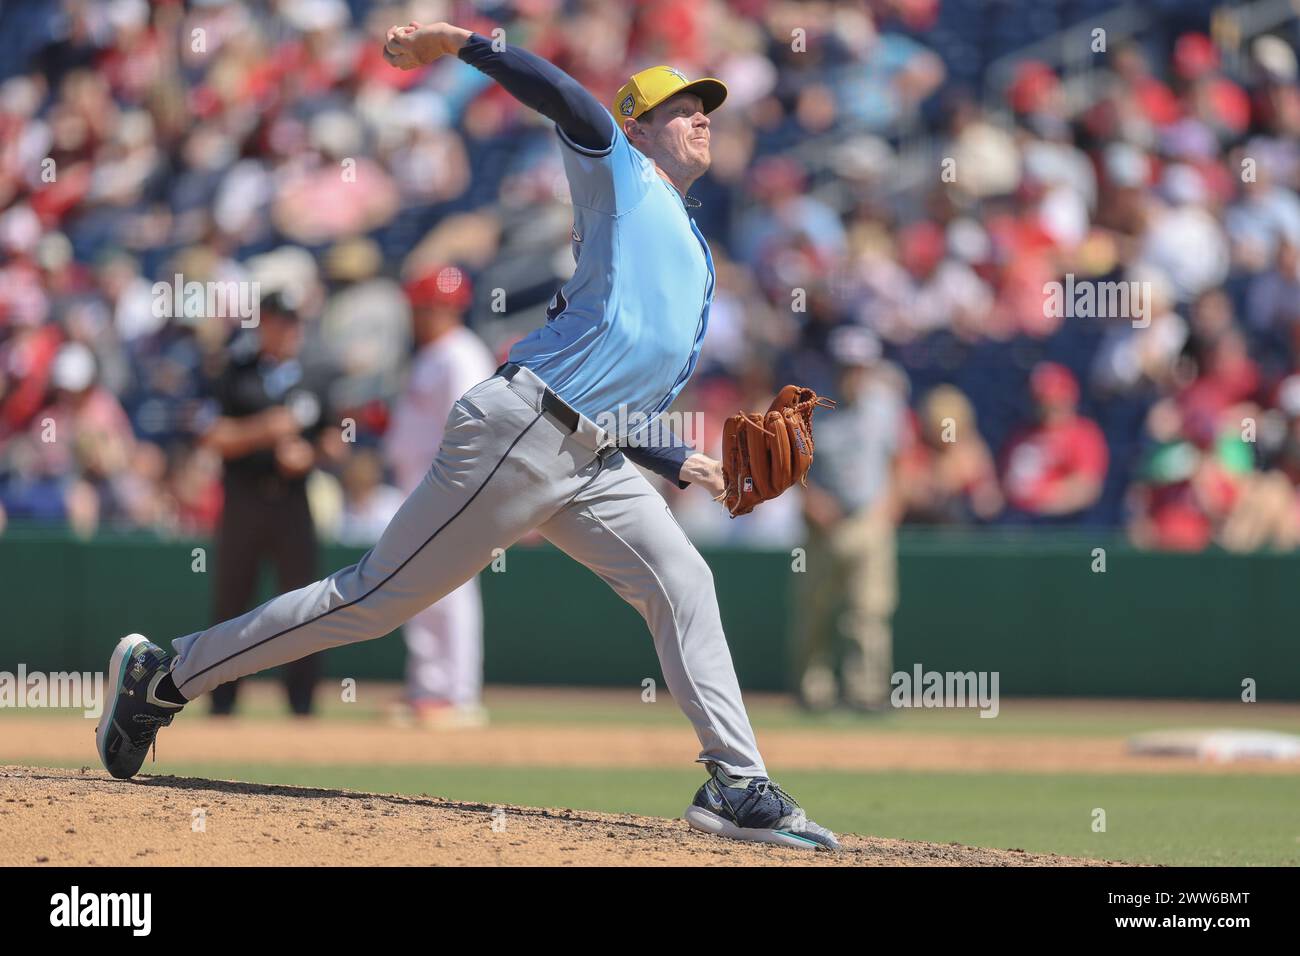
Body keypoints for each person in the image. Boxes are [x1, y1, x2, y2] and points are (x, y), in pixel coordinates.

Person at [95, 21, 839, 852]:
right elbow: (562, 94)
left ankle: (737, 784)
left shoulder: (695, 251)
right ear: (636, 125)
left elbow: (614, 372)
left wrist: (680, 459)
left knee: (684, 581)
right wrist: (462, 43)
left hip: (591, 454)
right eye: (680, 107)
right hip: (522, 435)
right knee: (373, 602)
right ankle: (164, 675)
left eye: (707, 107)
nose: (701, 117)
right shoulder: (619, 169)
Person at [194, 291, 338, 716]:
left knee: (304, 604)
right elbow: (211, 435)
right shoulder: (235, 373)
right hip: (243, 501)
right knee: (231, 603)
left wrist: (309, 456)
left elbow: (336, 440)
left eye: (295, 321)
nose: (290, 329)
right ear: (265, 324)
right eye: (282, 320)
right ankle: (221, 703)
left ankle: (302, 705)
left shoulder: (316, 375)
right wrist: (266, 430)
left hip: (294, 502)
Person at [383, 266, 496, 728]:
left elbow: (478, 426)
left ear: (444, 307)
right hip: (418, 487)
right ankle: (428, 689)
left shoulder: (461, 353)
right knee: (420, 587)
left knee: (451, 589)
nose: (415, 314)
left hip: (448, 486)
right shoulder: (431, 354)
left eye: (422, 306)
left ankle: (458, 694)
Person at [796, 327, 907, 712]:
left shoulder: (886, 405)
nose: (853, 375)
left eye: (860, 367)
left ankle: (868, 693)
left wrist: (889, 507)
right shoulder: (809, 409)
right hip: (822, 524)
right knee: (816, 612)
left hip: (869, 518)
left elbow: (897, 462)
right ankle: (816, 692)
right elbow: (795, 469)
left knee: (869, 613)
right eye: (847, 366)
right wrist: (812, 501)